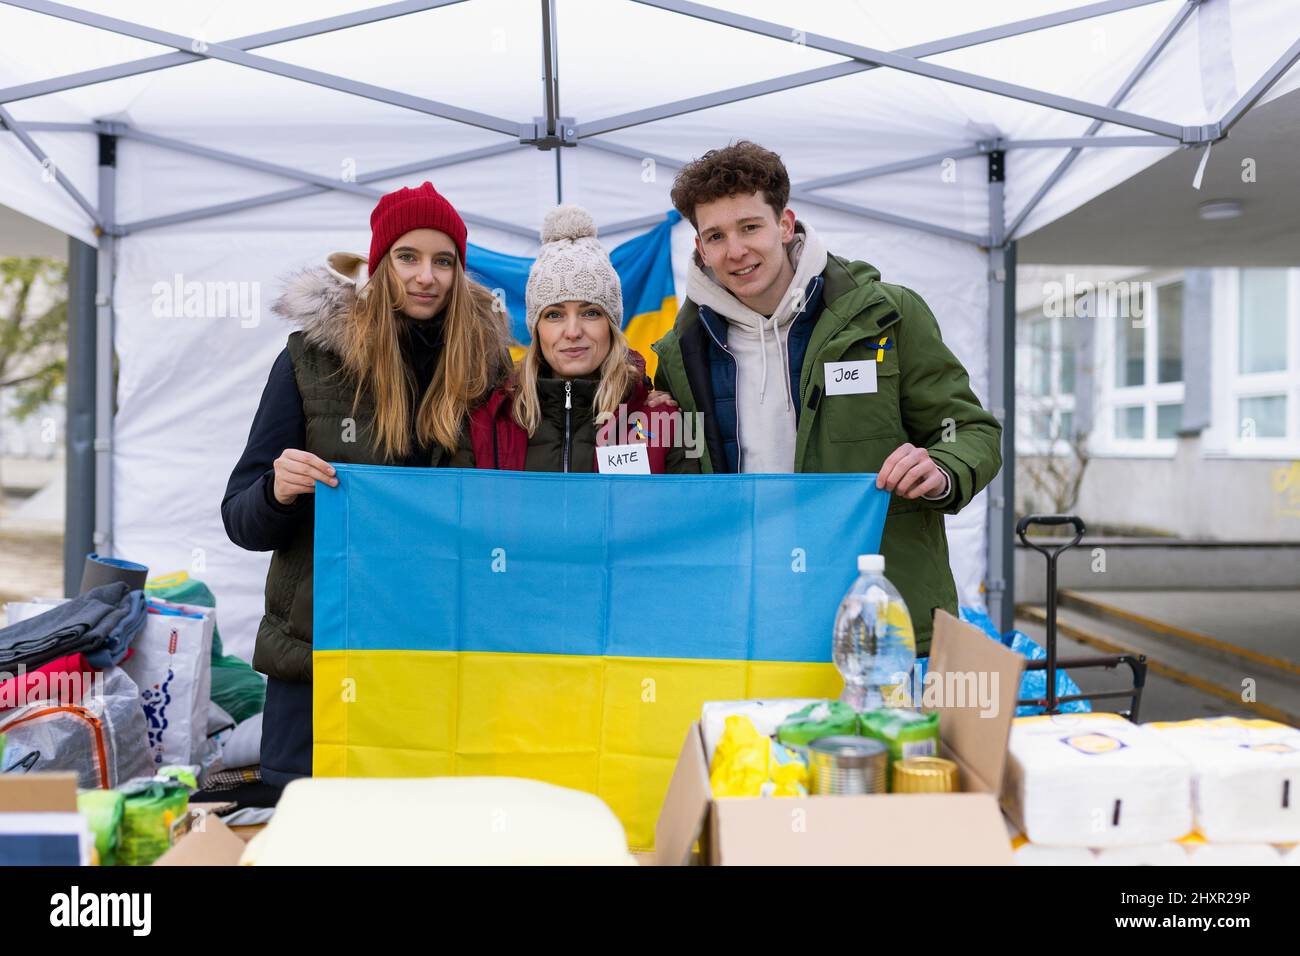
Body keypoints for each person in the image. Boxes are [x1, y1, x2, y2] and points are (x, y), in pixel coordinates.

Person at [652, 141, 1002, 657]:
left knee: (879, 740)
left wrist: (942, 466)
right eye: (716, 236)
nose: (735, 251)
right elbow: (677, 487)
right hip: (746, 617)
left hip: (878, 612)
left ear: (786, 224)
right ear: (701, 249)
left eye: (750, 227)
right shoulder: (681, 355)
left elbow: (973, 432)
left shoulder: (887, 316)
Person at [221, 182, 512, 787]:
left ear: (460, 272)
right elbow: (239, 518)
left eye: (444, 260)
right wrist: (278, 489)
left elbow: (515, 502)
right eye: (408, 257)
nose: (426, 276)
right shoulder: (310, 359)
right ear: (378, 266)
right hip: (319, 662)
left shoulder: (489, 371)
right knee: (307, 837)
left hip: (437, 660)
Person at [452, 205, 698, 474]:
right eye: (554, 315)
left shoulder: (664, 421)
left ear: (611, 325)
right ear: (537, 330)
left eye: (590, 313)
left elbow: (688, 512)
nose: (572, 331)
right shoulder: (486, 422)